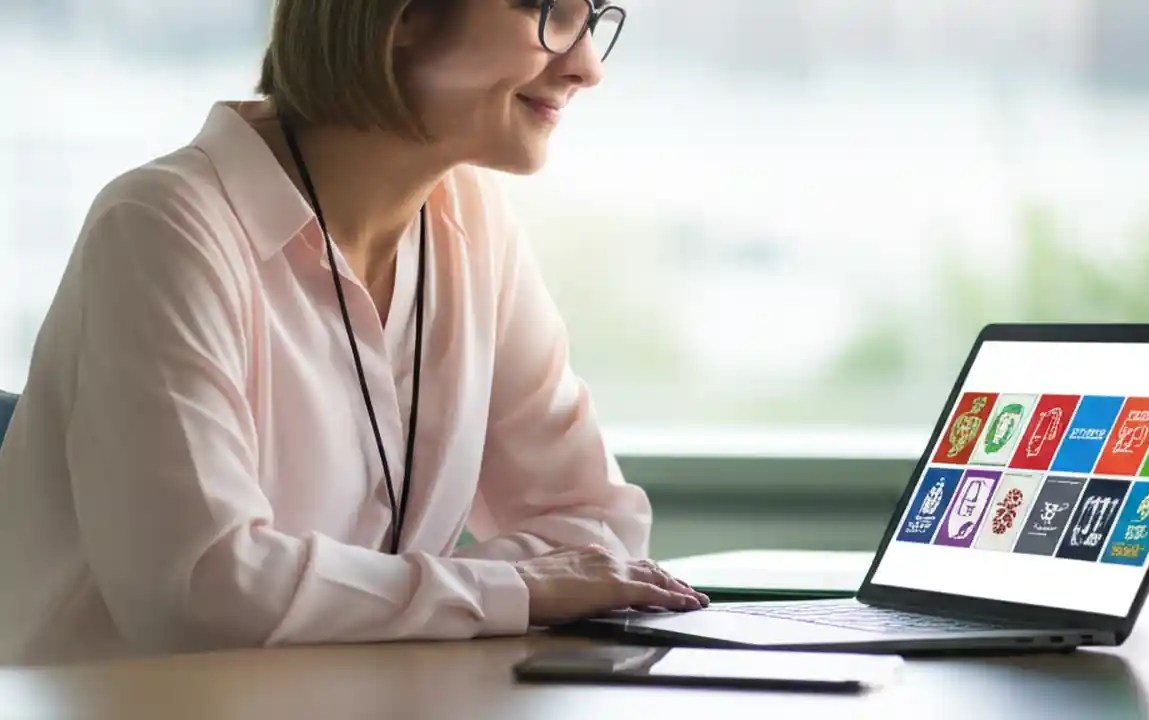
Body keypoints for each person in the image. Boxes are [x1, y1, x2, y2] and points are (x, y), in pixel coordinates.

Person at [0, 0, 708, 665]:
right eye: (546, 11)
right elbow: (201, 594)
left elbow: (600, 530)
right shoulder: (163, 228)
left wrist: (436, 589)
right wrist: (514, 587)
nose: (588, 66)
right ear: (399, 17)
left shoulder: (474, 224)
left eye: (594, 19)